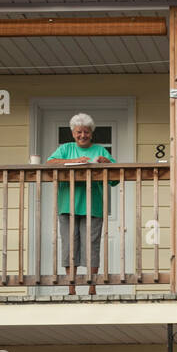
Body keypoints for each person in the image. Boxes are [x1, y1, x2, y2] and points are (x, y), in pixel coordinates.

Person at [46, 112, 118, 296]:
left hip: (93, 206)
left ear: (91, 133)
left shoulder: (100, 150)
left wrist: (107, 163)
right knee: (69, 247)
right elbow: (50, 163)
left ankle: (92, 287)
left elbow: (115, 178)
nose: (83, 135)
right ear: (73, 133)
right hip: (67, 206)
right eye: (79, 132)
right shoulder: (66, 149)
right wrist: (73, 161)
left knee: (91, 246)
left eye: (86, 132)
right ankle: (71, 288)